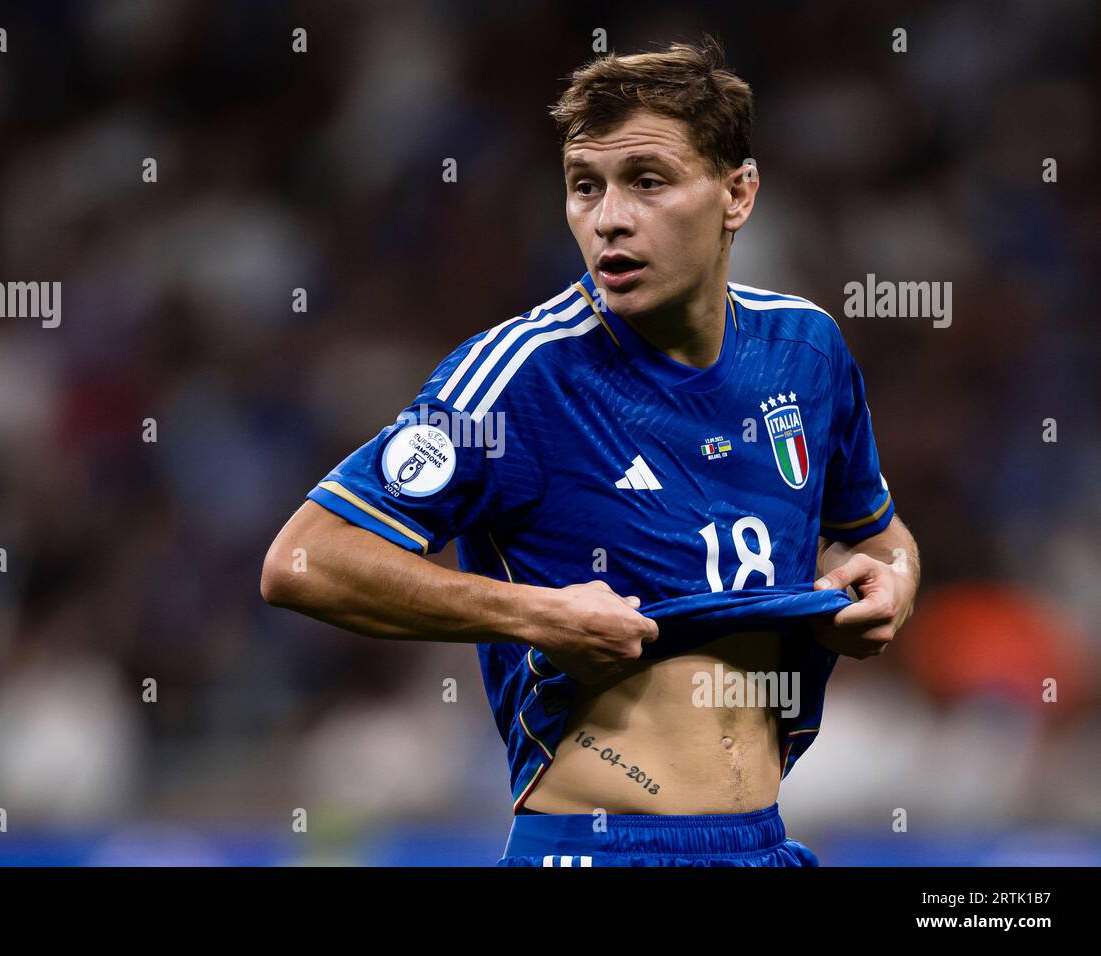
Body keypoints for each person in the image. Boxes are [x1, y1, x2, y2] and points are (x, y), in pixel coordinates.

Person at [262, 38, 919, 867]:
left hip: (764, 844)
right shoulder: (521, 378)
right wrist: (540, 613)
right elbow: (303, 562)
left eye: (648, 180)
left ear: (737, 193)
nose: (609, 216)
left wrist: (892, 582)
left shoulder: (806, 349)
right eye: (585, 186)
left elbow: (878, 535)